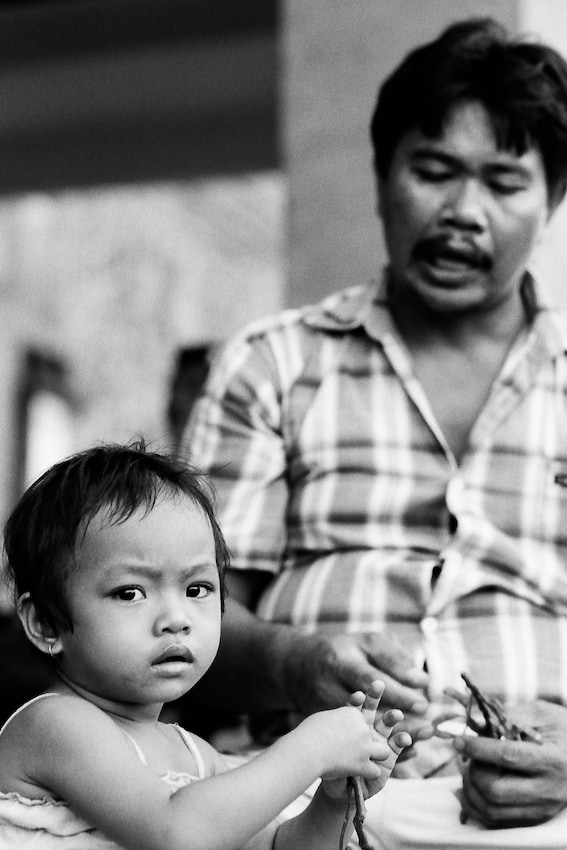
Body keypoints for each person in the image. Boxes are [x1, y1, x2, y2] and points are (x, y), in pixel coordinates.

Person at [183, 16, 567, 846]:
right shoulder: (271, 363)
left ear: (553, 201)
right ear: (381, 176)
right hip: (298, 799)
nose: (463, 212)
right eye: (432, 171)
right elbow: (191, 618)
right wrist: (300, 663)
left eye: (503, 182)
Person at [0, 441, 411, 849]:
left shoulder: (195, 756)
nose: (176, 619)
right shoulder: (54, 724)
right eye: (130, 593)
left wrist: (330, 803)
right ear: (46, 623)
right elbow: (175, 834)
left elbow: (275, 848)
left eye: (197, 588)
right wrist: (312, 748)